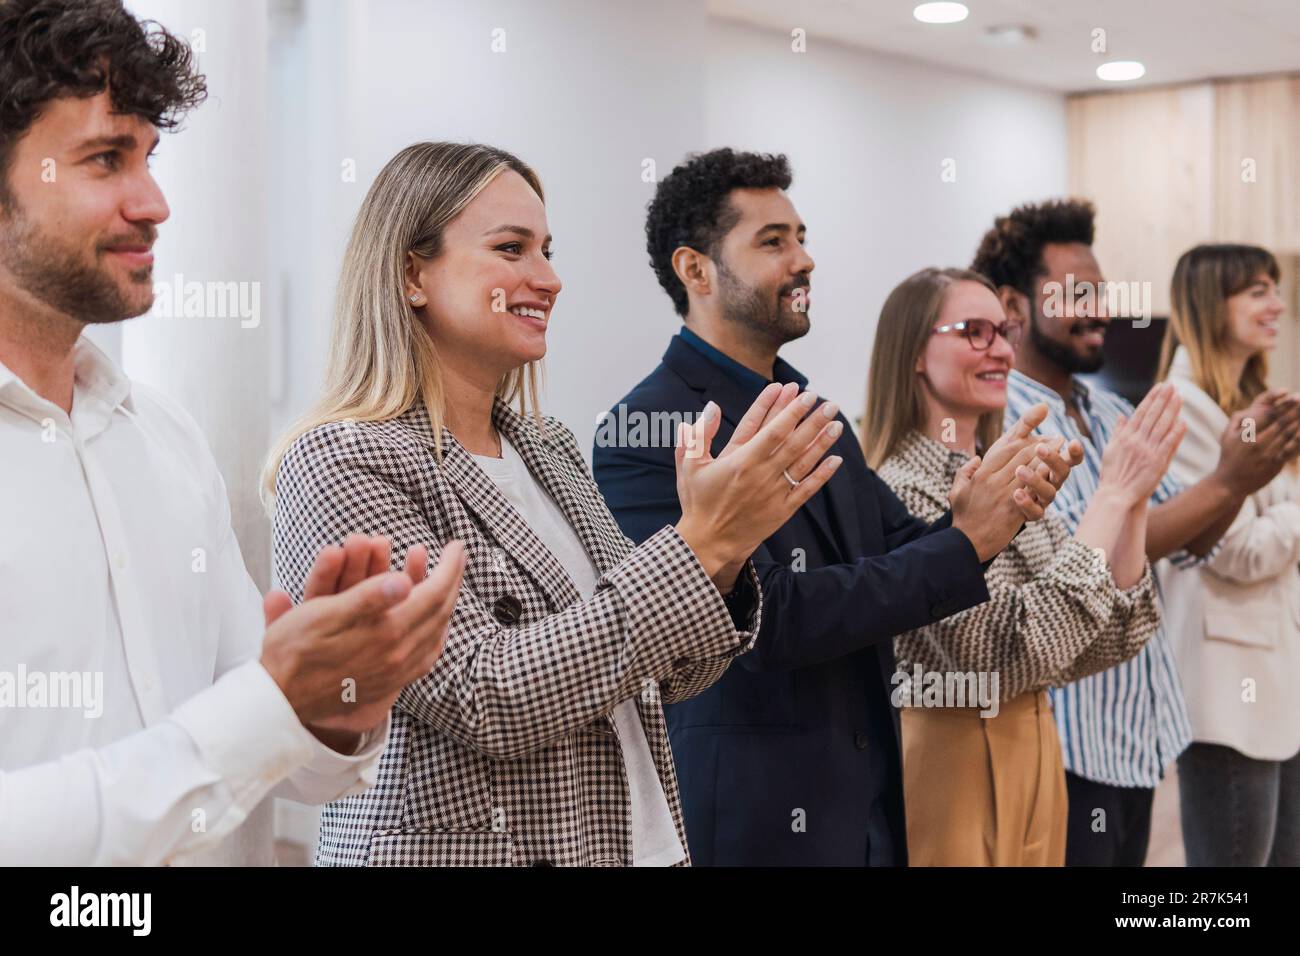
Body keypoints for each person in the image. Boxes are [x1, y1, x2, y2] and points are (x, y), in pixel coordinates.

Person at [264, 141, 841, 867]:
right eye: (512, 249)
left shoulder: (550, 449)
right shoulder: (345, 459)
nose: (549, 278)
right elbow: (485, 696)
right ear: (413, 273)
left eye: (546, 250)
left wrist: (723, 556)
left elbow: (669, 675)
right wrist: (699, 546)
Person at [0, 0, 465, 866]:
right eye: (107, 158)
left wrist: (338, 693)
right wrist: (265, 704)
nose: (156, 203)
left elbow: (271, 755)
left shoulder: (165, 440)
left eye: (150, 156)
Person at [593, 148, 1079, 866]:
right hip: (754, 824)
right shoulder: (648, 432)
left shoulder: (817, 414)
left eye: (802, 237)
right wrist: (965, 541)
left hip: (869, 809)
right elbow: (769, 620)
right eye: (773, 242)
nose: (804, 259)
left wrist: (994, 507)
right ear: (694, 270)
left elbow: (907, 551)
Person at [974, 199, 1300, 865]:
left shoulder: (1111, 408)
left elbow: (1193, 540)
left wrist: (1241, 473)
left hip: (1134, 726)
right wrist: (1233, 481)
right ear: (1012, 305)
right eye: (1077, 294)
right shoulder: (1003, 424)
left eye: (1101, 291)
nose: (1099, 309)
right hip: (1066, 728)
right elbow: (1078, 558)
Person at [867, 267, 1171, 865]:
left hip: (1034, 742)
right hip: (949, 752)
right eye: (974, 332)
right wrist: (1109, 498)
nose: (1002, 350)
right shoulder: (895, 487)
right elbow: (1001, 655)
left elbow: (1104, 637)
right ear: (914, 354)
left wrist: (1132, 500)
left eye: (1004, 331)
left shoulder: (1006, 475)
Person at [1155, 243, 1300, 866]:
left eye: (1275, 288)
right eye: (1258, 291)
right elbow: (1239, 551)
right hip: (1226, 697)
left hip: (1273, 682)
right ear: (1212, 305)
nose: (1278, 304)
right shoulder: (1184, 405)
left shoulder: (1248, 402)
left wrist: (1281, 513)